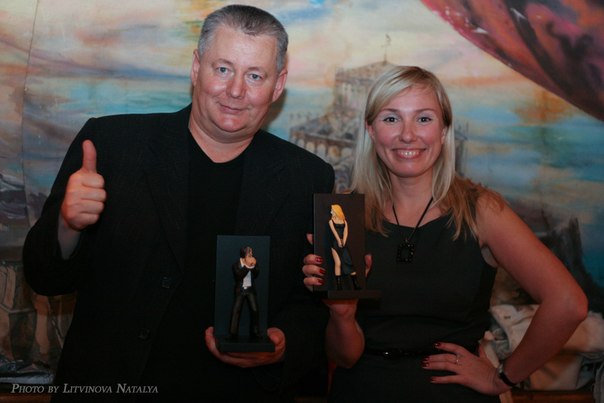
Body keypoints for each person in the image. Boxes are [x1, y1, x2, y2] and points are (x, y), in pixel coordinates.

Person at [23, 4, 334, 402]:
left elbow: (311, 308)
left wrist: (283, 344)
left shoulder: (308, 178)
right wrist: (68, 225)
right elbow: (44, 278)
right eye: (223, 69)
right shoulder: (110, 146)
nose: (235, 90)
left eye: (255, 75)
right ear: (197, 68)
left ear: (278, 86)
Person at [302, 65, 588, 402]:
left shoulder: (481, 210)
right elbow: (344, 356)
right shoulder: (343, 215)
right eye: (391, 119)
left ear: (444, 130)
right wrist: (342, 313)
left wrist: (501, 377)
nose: (407, 135)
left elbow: (568, 304)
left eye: (423, 118)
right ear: (371, 130)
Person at [229, 246, 260, 340]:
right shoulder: (236, 265)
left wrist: (253, 266)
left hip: (250, 290)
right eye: (249, 254)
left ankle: (255, 333)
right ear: (244, 255)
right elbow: (239, 276)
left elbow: (256, 274)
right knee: (236, 311)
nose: (251, 255)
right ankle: (233, 334)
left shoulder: (253, 262)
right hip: (240, 290)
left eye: (251, 253)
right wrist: (247, 266)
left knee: (254, 310)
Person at [328, 204, 359, 290]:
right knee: (338, 263)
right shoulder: (331, 221)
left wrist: (344, 241)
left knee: (349, 262)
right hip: (335, 243)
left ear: (336, 211)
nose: (331, 212)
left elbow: (346, 232)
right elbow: (334, 232)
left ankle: (355, 283)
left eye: (332, 210)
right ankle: (339, 286)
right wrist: (338, 240)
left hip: (343, 243)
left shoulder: (344, 221)